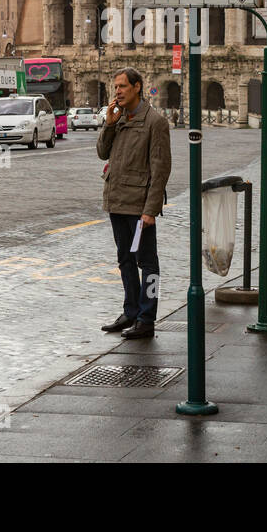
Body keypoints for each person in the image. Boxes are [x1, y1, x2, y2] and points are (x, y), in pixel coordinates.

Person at [97, 67, 171, 339]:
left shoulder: (155, 122)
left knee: (147, 263)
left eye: (122, 86)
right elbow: (102, 152)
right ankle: (130, 311)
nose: (117, 91)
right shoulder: (119, 118)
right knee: (124, 260)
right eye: (115, 87)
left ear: (137, 87)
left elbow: (160, 169)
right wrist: (109, 123)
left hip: (139, 208)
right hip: (116, 202)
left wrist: (150, 210)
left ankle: (147, 318)